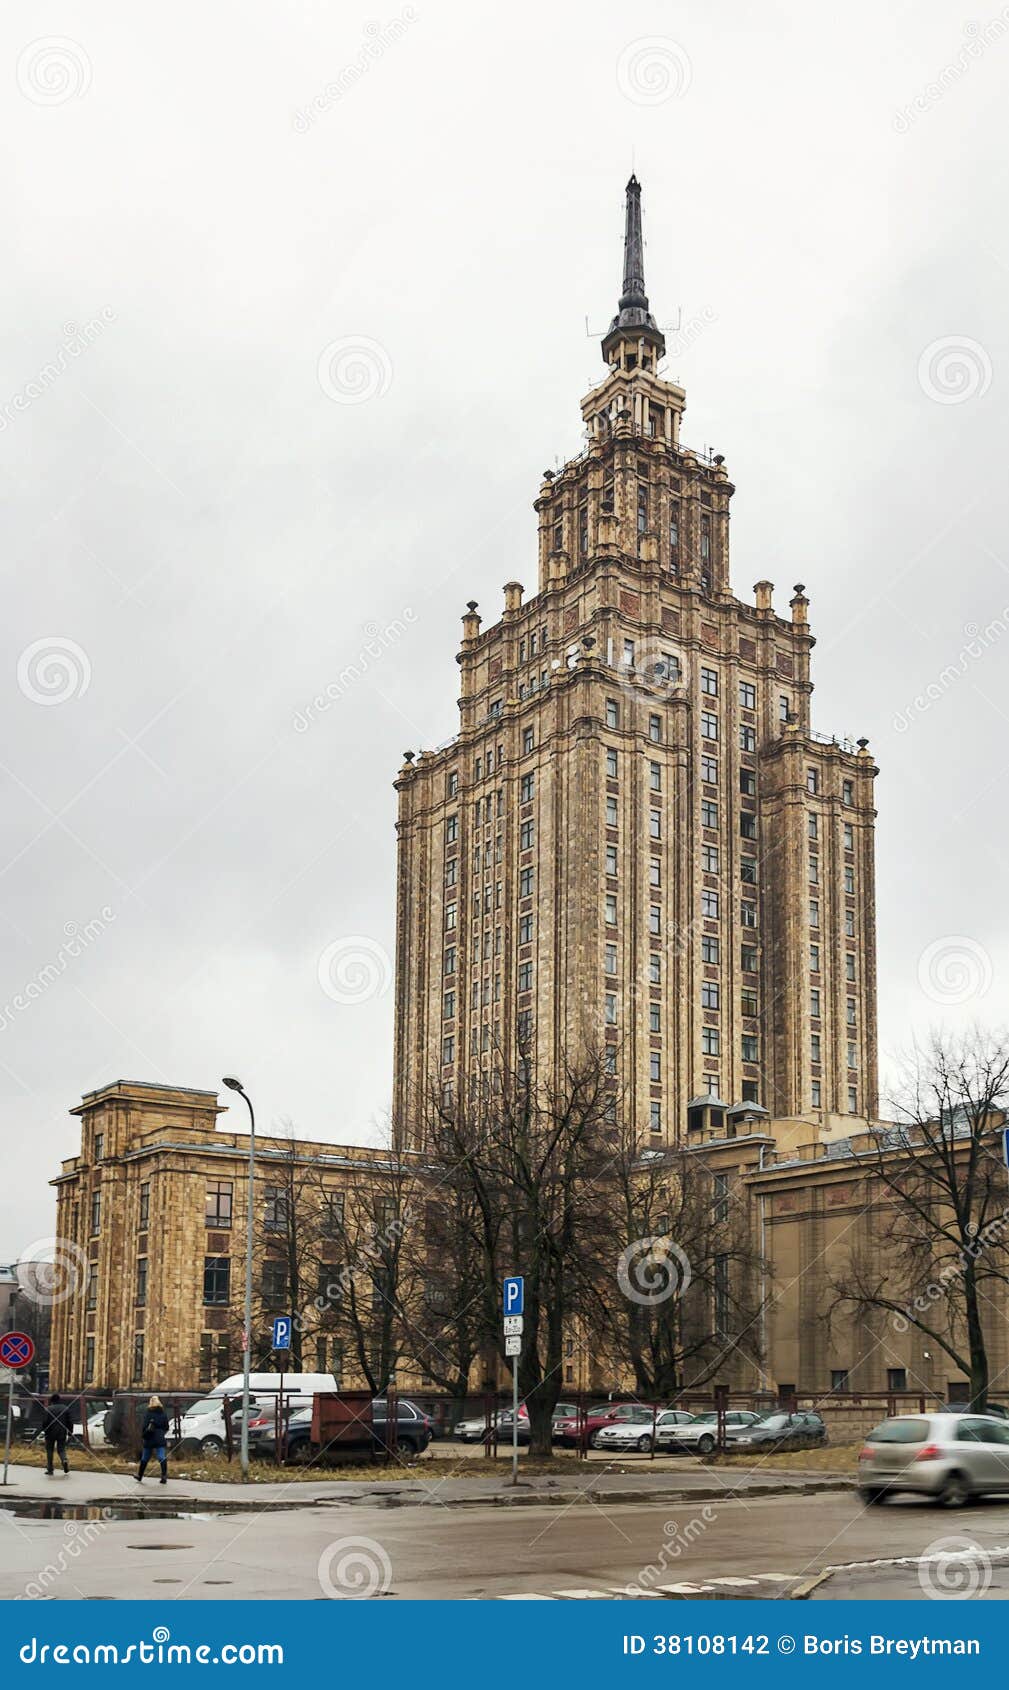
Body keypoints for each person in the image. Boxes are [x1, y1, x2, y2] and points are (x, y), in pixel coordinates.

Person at [136, 1395, 170, 1484]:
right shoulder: (163, 1413)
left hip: (149, 1437)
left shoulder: (148, 1413)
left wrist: (144, 1435)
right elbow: (166, 1427)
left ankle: (139, 1476)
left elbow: (145, 1426)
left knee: (145, 1457)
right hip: (159, 1437)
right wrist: (161, 1432)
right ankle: (164, 1476)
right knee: (161, 1456)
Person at [42, 1393, 74, 1476]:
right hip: (62, 1432)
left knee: (49, 1450)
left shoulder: (48, 1409)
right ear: (59, 1400)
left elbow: (45, 1422)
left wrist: (44, 1431)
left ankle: (50, 1469)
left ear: (52, 1401)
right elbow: (70, 1422)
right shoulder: (65, 1409)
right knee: (61, 1449)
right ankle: (64, 1460)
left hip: (50, 1433)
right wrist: (70, 1432)